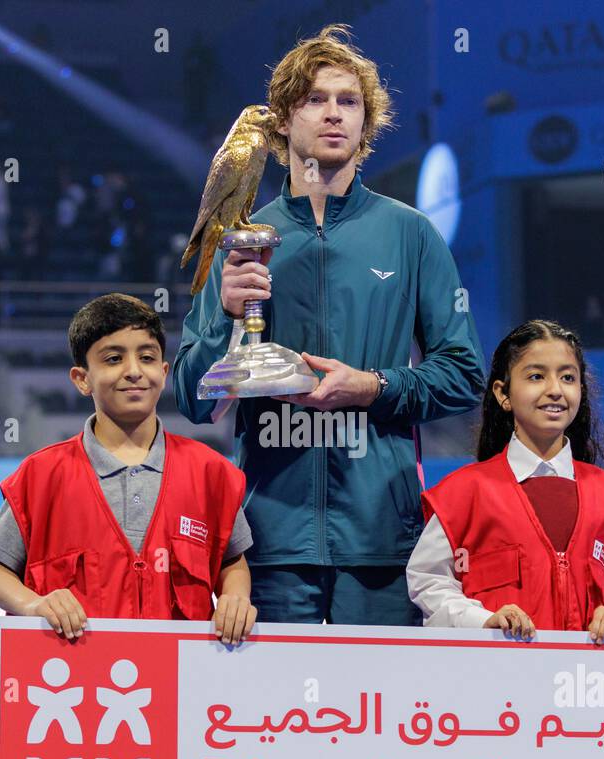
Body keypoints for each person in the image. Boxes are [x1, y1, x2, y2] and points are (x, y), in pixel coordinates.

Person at [173, 24, 484, 626]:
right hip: (268, 542)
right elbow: (192, 399)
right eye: (315, 99)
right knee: (273, 695)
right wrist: (228, 321)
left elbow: (464, 374)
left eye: (349, 101)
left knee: (381, 692)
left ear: (367, 124)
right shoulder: (242, 240)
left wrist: (374, 386)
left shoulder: (411, 234)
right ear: (283, 121)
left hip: (381, 539)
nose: (334, 113)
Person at [0, 294, 257, 646]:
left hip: (180, 674)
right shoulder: (40, 476)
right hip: (75, 673)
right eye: (113, 359)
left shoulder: (211, 473)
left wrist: (235, 597)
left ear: (163, 373)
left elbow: (232, 562)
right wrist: (33, 604)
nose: (134, 371)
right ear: (82, 379)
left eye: (147, 357)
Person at [407, 319, 604, 644]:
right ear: (502, 393)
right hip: (494, 672)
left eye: (568, 377)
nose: (555, 389)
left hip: (585, 673)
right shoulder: (461, 495)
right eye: (536, 376)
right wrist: (483, 621)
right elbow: (429, 582)